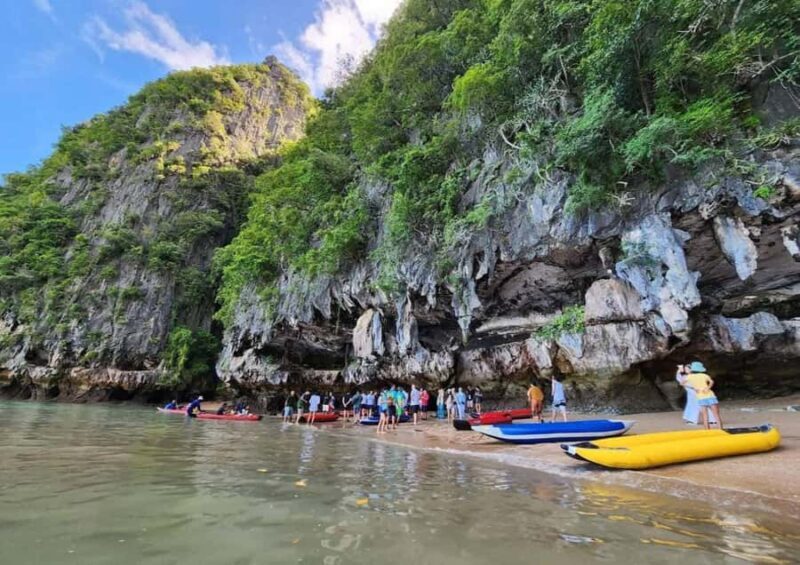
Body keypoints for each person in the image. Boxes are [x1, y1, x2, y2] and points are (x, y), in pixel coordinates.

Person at [685, 361, 723, 430]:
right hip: (710, 396)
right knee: (716, 415)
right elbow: (712, 382)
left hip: (700, 397)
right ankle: (720, 430)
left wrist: (694, 388)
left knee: (705, 416)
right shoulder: (704, 375)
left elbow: (682, 383)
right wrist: (707, 388)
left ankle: (707, 431)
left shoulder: (689, 377)